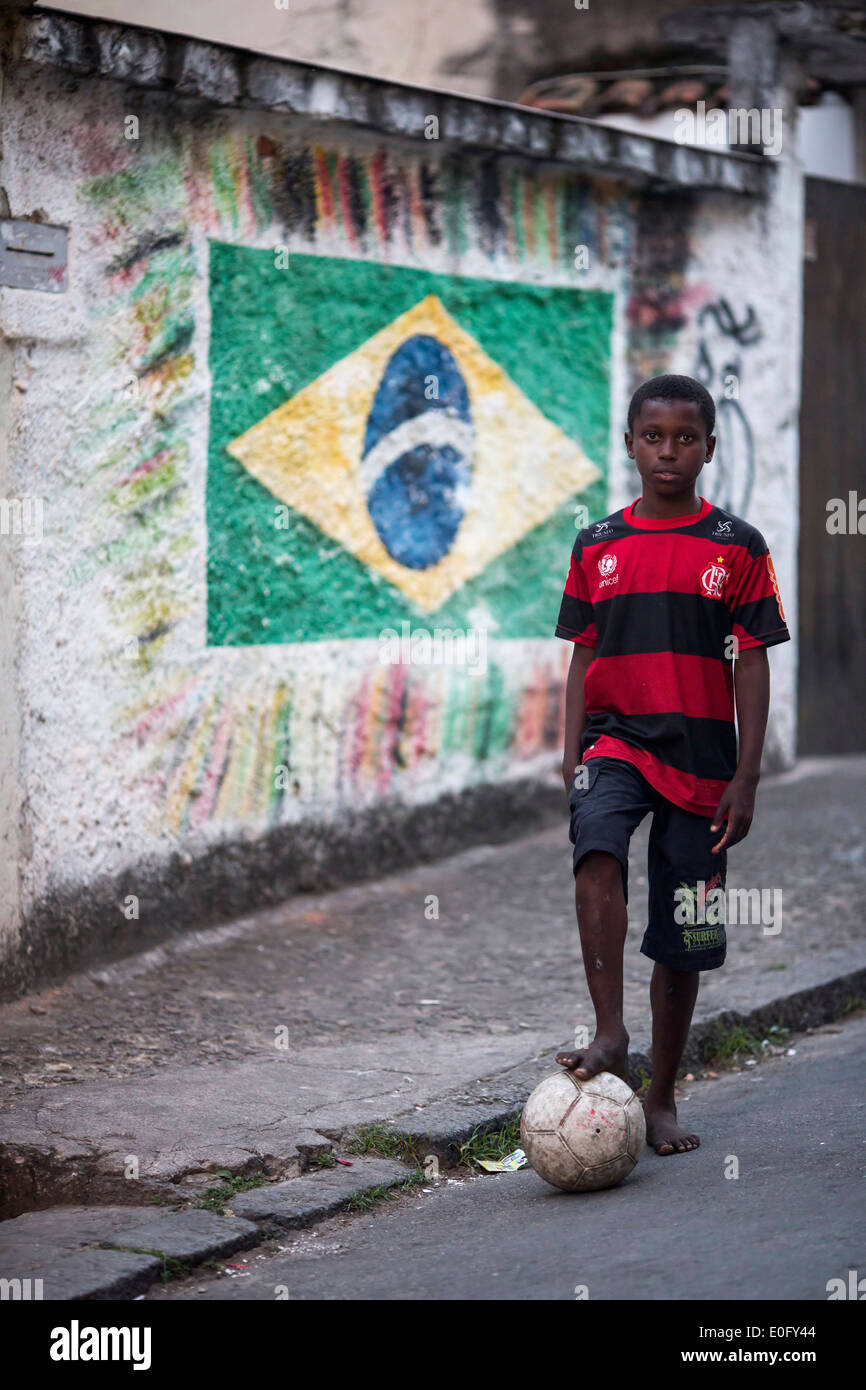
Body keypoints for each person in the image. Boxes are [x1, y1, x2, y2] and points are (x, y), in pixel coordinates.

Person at [554, 374, 790, 1155]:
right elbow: (583, 656)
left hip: (702, 759)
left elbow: (752, 664)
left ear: (709, 449)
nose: (668, 451)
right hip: (616, 741)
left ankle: (660, 1099)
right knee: (596, 846)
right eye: (652, 436)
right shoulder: (596, 545)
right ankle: (611, 1031)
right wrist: (571, 751)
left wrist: (746, 776)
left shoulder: (738, 546)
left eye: (685, 438)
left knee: (684, 931)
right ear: (629, 444)